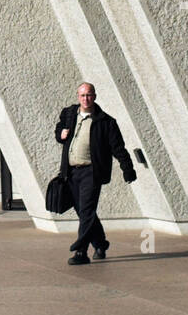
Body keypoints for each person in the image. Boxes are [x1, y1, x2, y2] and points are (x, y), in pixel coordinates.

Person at [55, 82, 136, 264]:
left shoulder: (105, 122)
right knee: (84, 212)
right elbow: (59, 130)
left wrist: (128, 170)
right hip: (71, 172)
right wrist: (61, 133)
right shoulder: (69, 114)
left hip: (91, 172)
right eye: (83, 95)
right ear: (78, 96)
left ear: (95, 96)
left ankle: (81, 252)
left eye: (89, 95)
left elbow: (118, 148)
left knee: (86, 210)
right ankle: (100, 244)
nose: (86, 99)